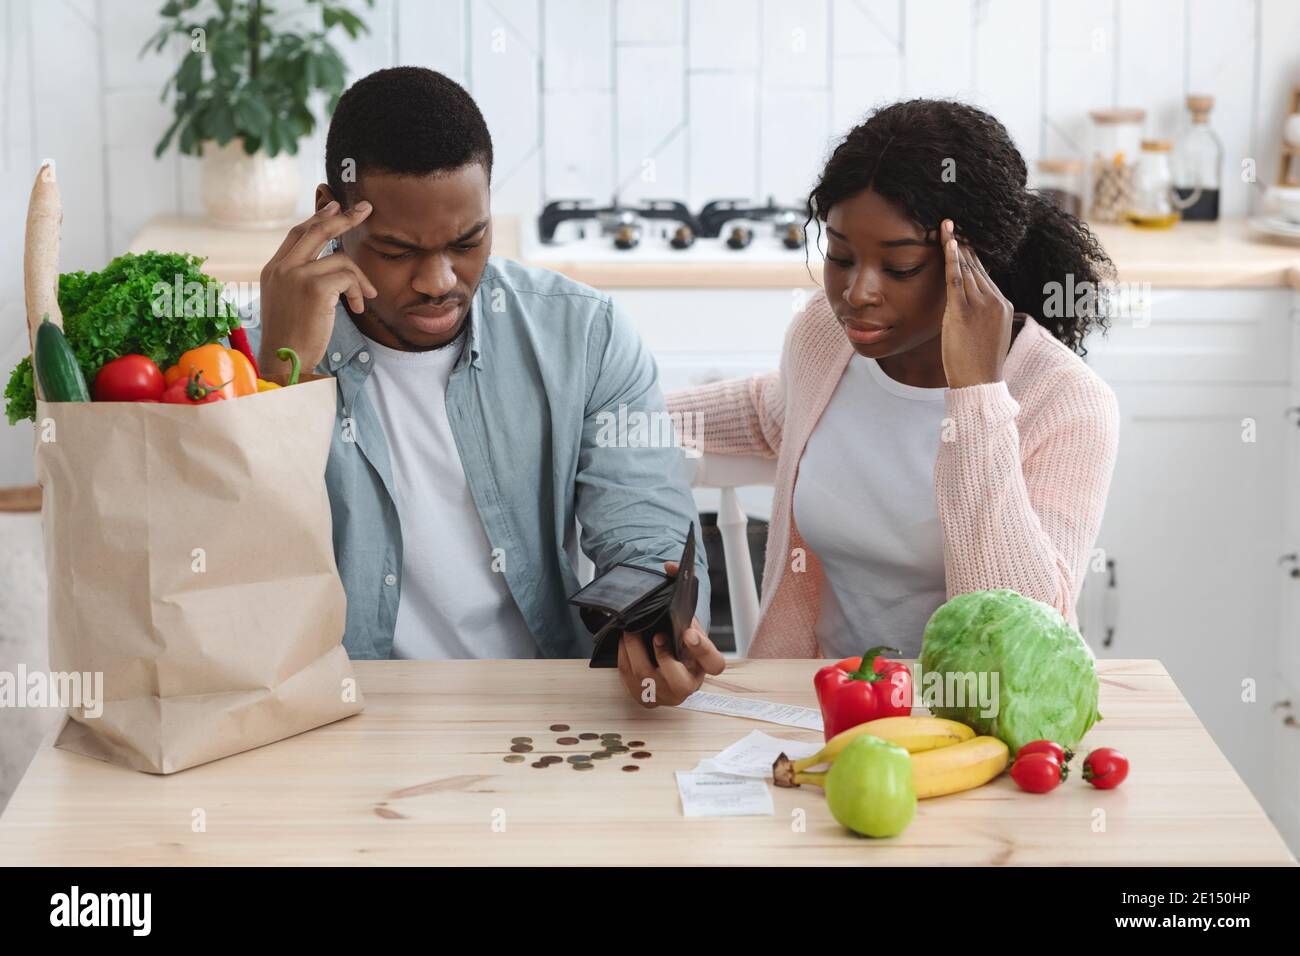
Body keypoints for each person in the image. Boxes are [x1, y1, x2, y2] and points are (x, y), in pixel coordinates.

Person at [246, 67, 724, 703]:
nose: (439, 281)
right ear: (329, 216)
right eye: (396, 251)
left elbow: (645, 534)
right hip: (328, 714)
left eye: (468, 241)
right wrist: (281, 376)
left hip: (533, 710)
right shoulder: (243, 359)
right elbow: (233, 573)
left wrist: (653, 623)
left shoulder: (583, 336)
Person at [667, 99, 1120, 660]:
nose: (858, 292)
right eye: (839, 256)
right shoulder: (824, 338)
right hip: (823, 702)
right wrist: (612, 414)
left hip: (979, 727)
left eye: (900, 267)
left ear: (971, 264)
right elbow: (772, 412)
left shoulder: (1067, 403)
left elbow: (1019, 637)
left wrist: (976, 393)